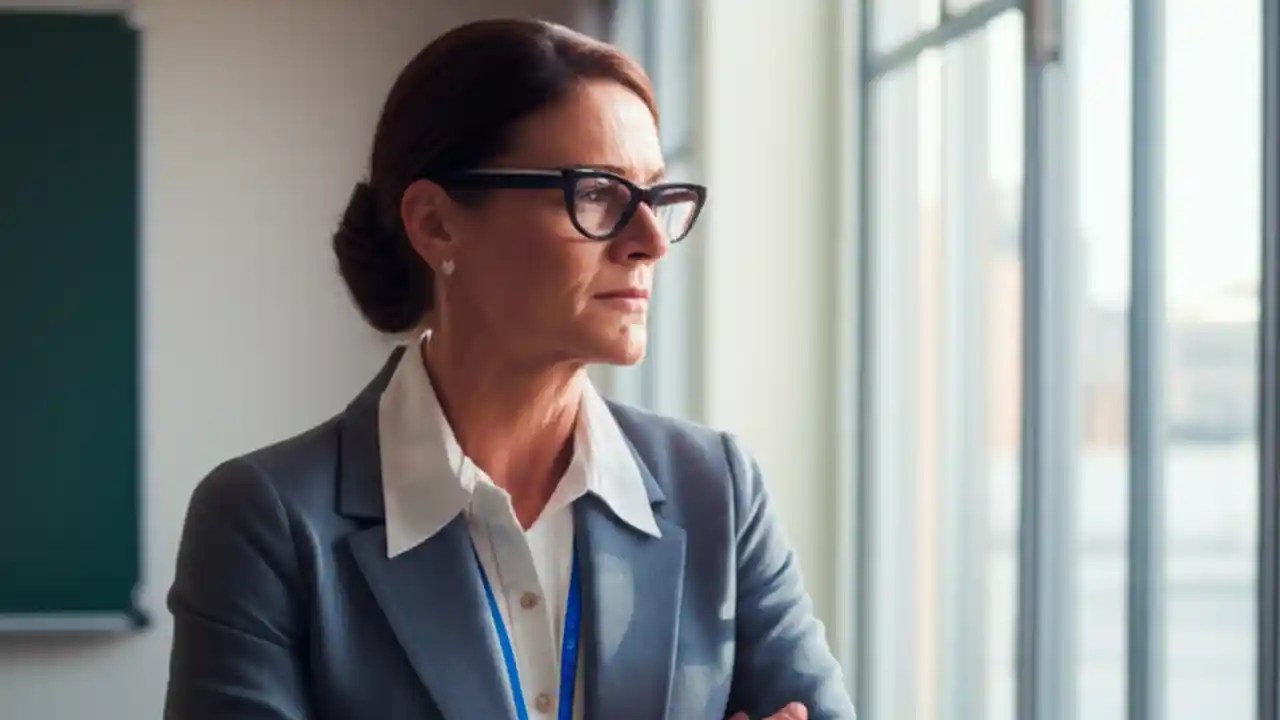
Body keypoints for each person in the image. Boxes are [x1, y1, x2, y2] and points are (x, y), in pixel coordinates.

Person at [164, 17, 855, 720]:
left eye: (655, 197)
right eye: (597, 195)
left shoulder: (718, 491)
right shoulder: (267, 523)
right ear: (436, 223)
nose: (651, 242)